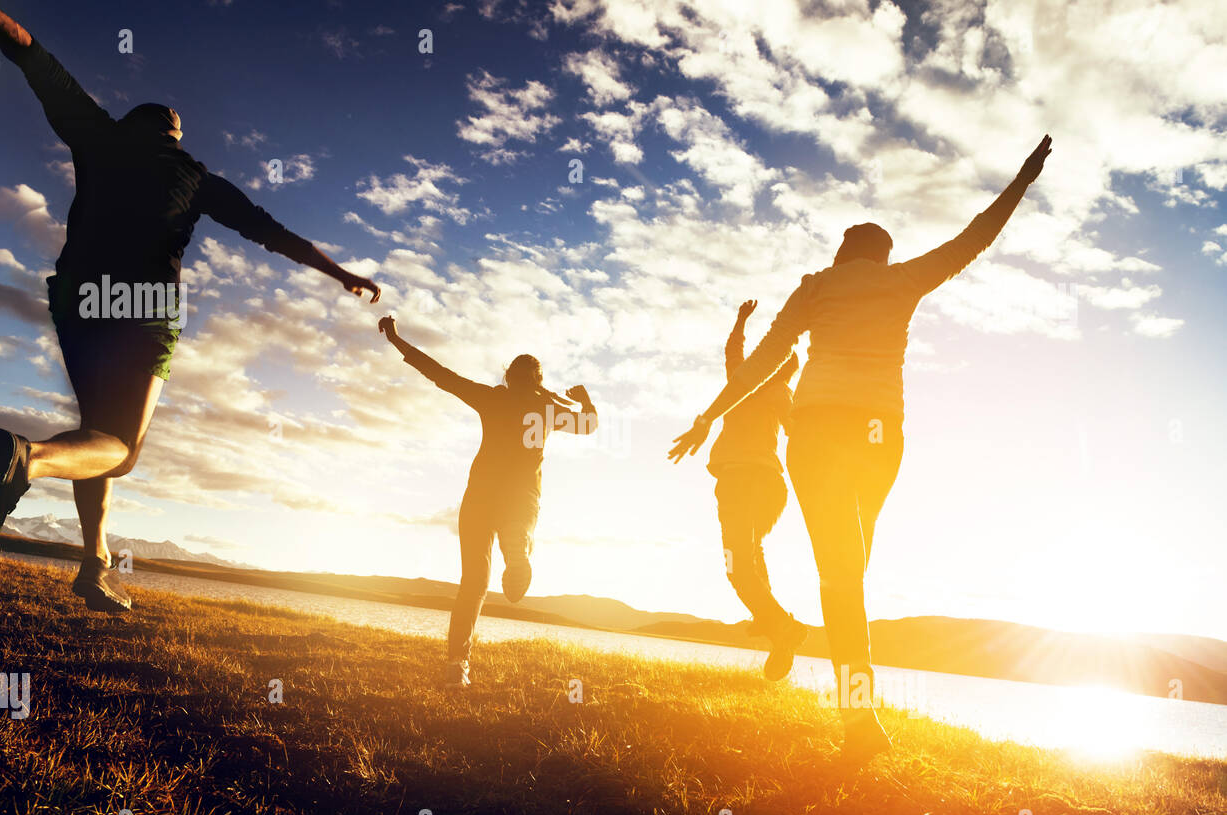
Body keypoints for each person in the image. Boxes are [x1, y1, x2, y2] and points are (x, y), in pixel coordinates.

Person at [0, 0, 381, 614]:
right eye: (170, 117)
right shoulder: (193, 176)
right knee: (120, 449)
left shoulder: (95, 133)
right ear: (163, 132)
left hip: (77, 297)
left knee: (95, 430)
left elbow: (27, 51)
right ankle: (26, 459)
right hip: (143, 305)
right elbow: (269, 231)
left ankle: (94, 563)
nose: (175, 115)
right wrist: (339, 273)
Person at [670, 135, 1054, 764]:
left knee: (841, 575)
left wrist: (706, 418)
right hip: (879, 440)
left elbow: (764, 365)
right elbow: (975, 237)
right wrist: (1023, 179)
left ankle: (859, 716)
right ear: (882, 256)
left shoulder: (817, 288)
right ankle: (859, 715)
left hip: (817, 435)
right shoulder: (903, 280)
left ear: (846, 250)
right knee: (851, 573)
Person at [379, 316, 598, 688]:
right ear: (538, 381)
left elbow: (440, 375)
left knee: (474, 584)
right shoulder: (548, 409)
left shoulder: (492, 397)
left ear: (508, 377)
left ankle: (455, 667)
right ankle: (517, 547)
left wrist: (397, 339)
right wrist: (584, 399)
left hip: (480, 496)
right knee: (521, 525)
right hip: (522, 496)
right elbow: (589, 425)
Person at [706, 299, 806, 681]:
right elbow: (798, 434)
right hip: (771, 487)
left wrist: (740, 320)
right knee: (750, 556)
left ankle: (781, 625)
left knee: (737, 566)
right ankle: (771, 624)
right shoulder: (782, 394)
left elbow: (732, 351)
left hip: (739, 482)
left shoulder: (742, 384)